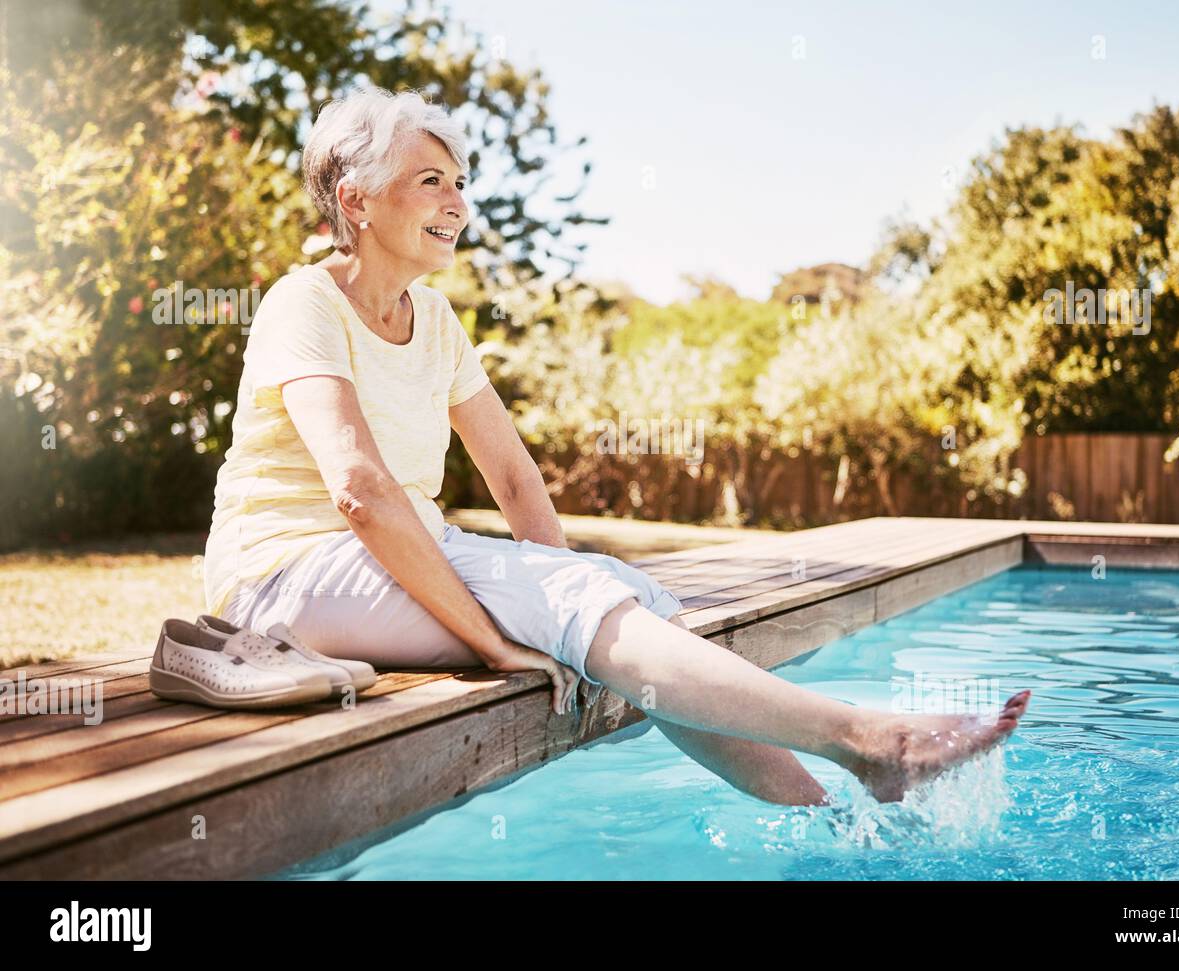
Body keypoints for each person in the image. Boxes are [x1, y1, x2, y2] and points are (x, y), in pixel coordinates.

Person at [202, 87, 1029, 807]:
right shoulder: (303, 301)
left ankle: (832, 811)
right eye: (431, 182)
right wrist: (501, 641)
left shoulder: (438, 322)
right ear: (355, 200)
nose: (457, 203)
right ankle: (869, 740)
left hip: (401, 559)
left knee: (632, 601)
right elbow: (359, 490)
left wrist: (568, 597)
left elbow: (518, 481)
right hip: (285, 576)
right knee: (581, 608)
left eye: (460, 183)